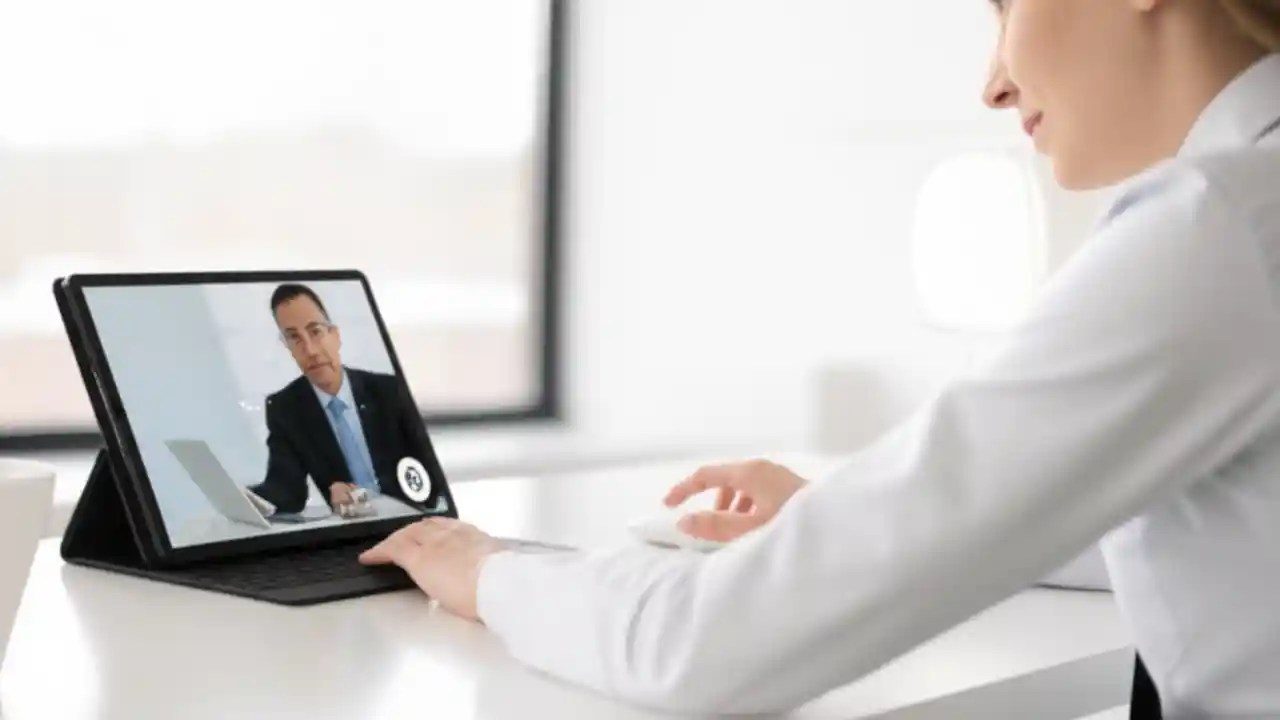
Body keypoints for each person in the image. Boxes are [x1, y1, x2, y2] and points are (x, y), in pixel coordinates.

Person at [360, 1, 1280, 715]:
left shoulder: (1216, 229)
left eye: (1006, 7)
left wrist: (490, 570)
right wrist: (848, 520)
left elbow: (706, 646)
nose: (994, 84)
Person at [246, 283, 426, 516]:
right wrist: (247, 498)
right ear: (286, 346)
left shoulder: (390, 391)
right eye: (294, 337)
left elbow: (429, 473)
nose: (310, 350)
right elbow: (286, 492)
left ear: (335, 335)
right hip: (351, 526)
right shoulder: (286, 407)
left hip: (411, 516)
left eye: (315, 331)